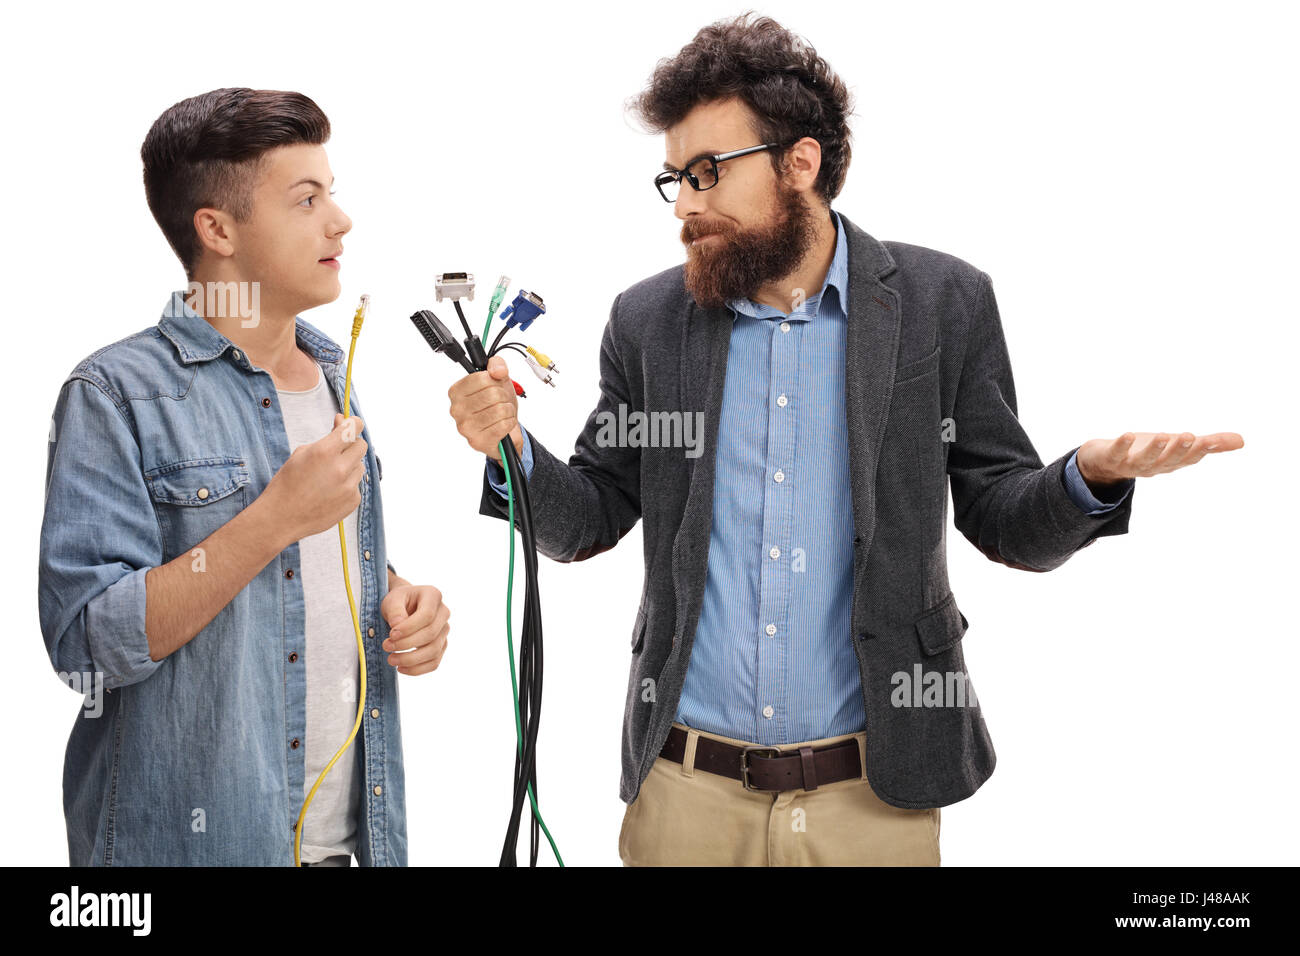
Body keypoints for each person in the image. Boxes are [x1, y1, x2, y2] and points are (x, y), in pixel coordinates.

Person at [446, 14, 1243, 866]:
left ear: (800, 163)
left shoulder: (942, 301)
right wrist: (512, 450)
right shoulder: (649, 320)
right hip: (685, 793)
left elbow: (1005, 520)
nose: (686, 202)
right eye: (675, 177)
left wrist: (1087, 478)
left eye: (710, 171)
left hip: (878, 793)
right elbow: (592, 514)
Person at [38, 88, 450, 866]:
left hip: (348, 846)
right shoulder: (113, 394)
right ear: (217, 229)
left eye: (332, 192)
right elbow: (86, 647)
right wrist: (273, 518)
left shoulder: (334, 375)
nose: (340, 220)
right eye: (306, 199)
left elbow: (308, 567)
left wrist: (392, 592)